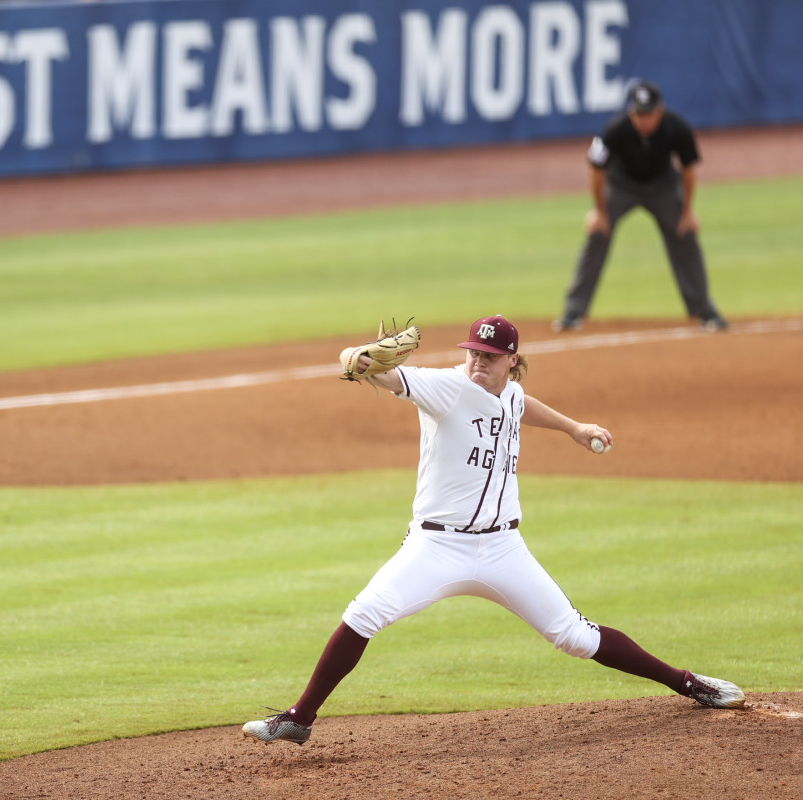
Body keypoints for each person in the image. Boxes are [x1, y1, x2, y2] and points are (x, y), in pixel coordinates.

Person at [243, 315, 744, 746]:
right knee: (365, 613)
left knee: (575, 636)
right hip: (437, 545)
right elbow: (391, 377)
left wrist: (574, 427)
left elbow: (523, 405)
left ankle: (688, 683)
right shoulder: (447, 388)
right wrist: (354, 355)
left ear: (511, 360)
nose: (476, 363)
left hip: (504, 549)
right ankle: (299, 719)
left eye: (488, 356)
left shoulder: (510, 395)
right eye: (472, 354)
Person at [553, 80, 728, 333]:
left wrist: (687, 213)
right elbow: (595, 167)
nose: (643, 120)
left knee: (685, 233)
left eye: (648, 114)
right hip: (621, 185)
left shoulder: (676, 127)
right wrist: (599, 212)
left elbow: (688, 170)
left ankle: (705, 310)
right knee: (597, 233)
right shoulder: (616, 129)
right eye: (638, 114)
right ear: (631, 112)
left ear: (660, 110)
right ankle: (573, 311)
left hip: (663, 187)